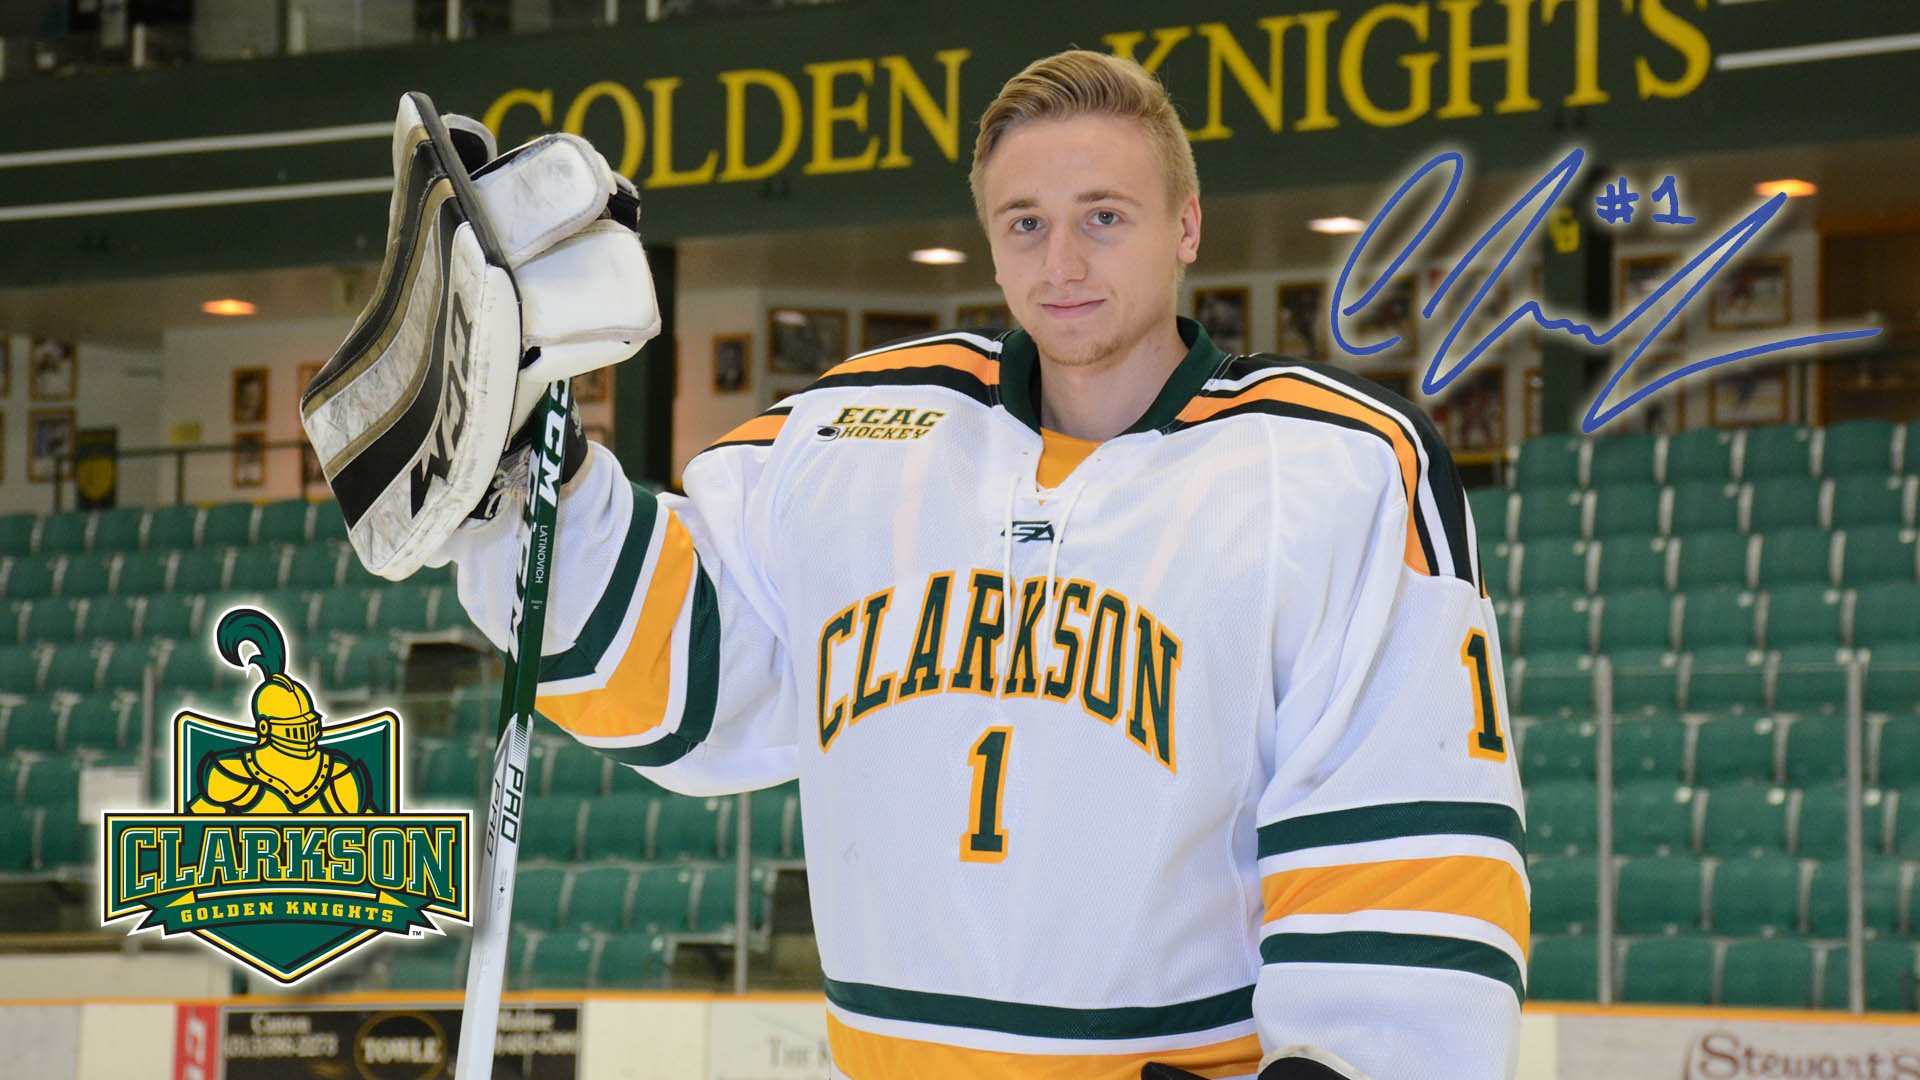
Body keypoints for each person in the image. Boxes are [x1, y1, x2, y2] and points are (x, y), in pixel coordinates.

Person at [440, 49, 1523, 1080]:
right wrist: (526, 473)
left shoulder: (1335, 466)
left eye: (1104, 217)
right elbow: (688, 668)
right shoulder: (849, 431)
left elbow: (1410, 858)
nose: (1061, 264)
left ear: (1187, 226)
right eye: (1026, 224)